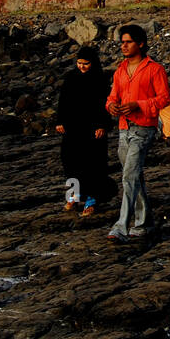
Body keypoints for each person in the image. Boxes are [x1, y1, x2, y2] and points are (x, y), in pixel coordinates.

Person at [105, 25, 170, 243]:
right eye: (122, 42)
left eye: (128, 42)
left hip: (143, 128)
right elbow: (112, 97)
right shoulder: (120, 71)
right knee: (134, 176)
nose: (123, 46)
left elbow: (164, 99)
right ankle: (145, 223)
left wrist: (138, 105)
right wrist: (112, 106)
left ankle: (121, 226)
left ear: (140, 44)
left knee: (129, 175)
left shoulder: (155, 69)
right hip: (124, 128)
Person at [55, 46, 111, 216]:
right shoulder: (71, 77)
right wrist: (60, 121)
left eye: (85, 64)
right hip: (73, 128)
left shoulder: (100, 80)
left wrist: (103, 125)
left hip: (93, 130)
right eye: (79, 63)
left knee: (92, 165)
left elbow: (106, 104)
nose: (82, 67)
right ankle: (73, 195)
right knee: (70, 161)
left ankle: (91, 201)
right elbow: (63, 101)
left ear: (92, 63)